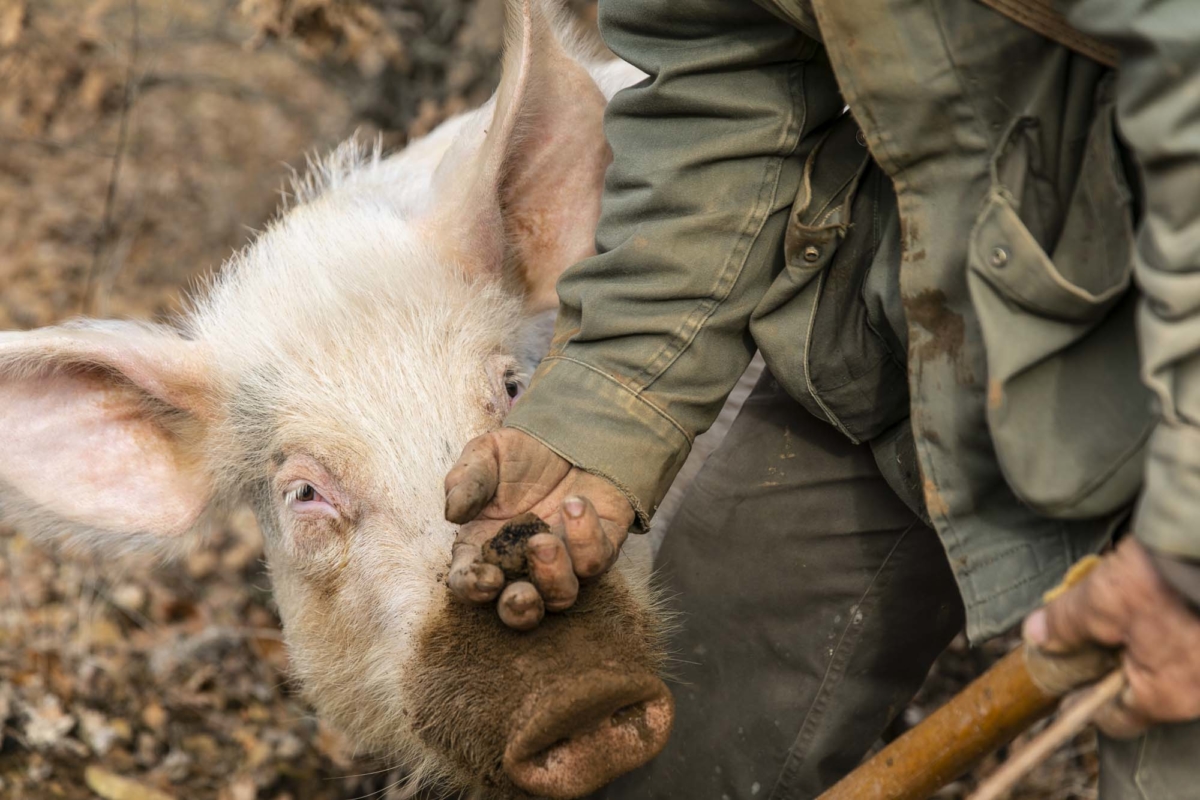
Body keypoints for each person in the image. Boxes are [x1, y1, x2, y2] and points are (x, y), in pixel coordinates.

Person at [443, 0, 1200, 796]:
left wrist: (1184, 555)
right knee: (680, 739)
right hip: (895, 324)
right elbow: (721, 84)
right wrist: (607, 406)